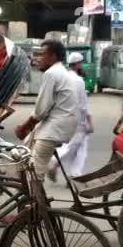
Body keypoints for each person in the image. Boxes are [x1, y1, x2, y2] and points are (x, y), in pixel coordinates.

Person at [14, 40, 78, 182]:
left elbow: (41, 111)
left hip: (54, 128)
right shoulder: (60, 71)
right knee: (23, 153)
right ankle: (29, 198)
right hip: (56, 125)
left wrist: (24, 127)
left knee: (35, 171)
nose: (38, 58)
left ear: (53, 57)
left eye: (42, 54)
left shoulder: (52, 73)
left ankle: (36, 203)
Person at [48, 52, 93, 182]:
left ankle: (76, 173)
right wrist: (88, 121)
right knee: (74, 144)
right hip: (77, 118)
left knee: (80, 145)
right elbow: (83, 104)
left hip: (63, 115)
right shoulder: (78, 81)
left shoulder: (63, 77)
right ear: (77, 64)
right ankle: (55, 162)